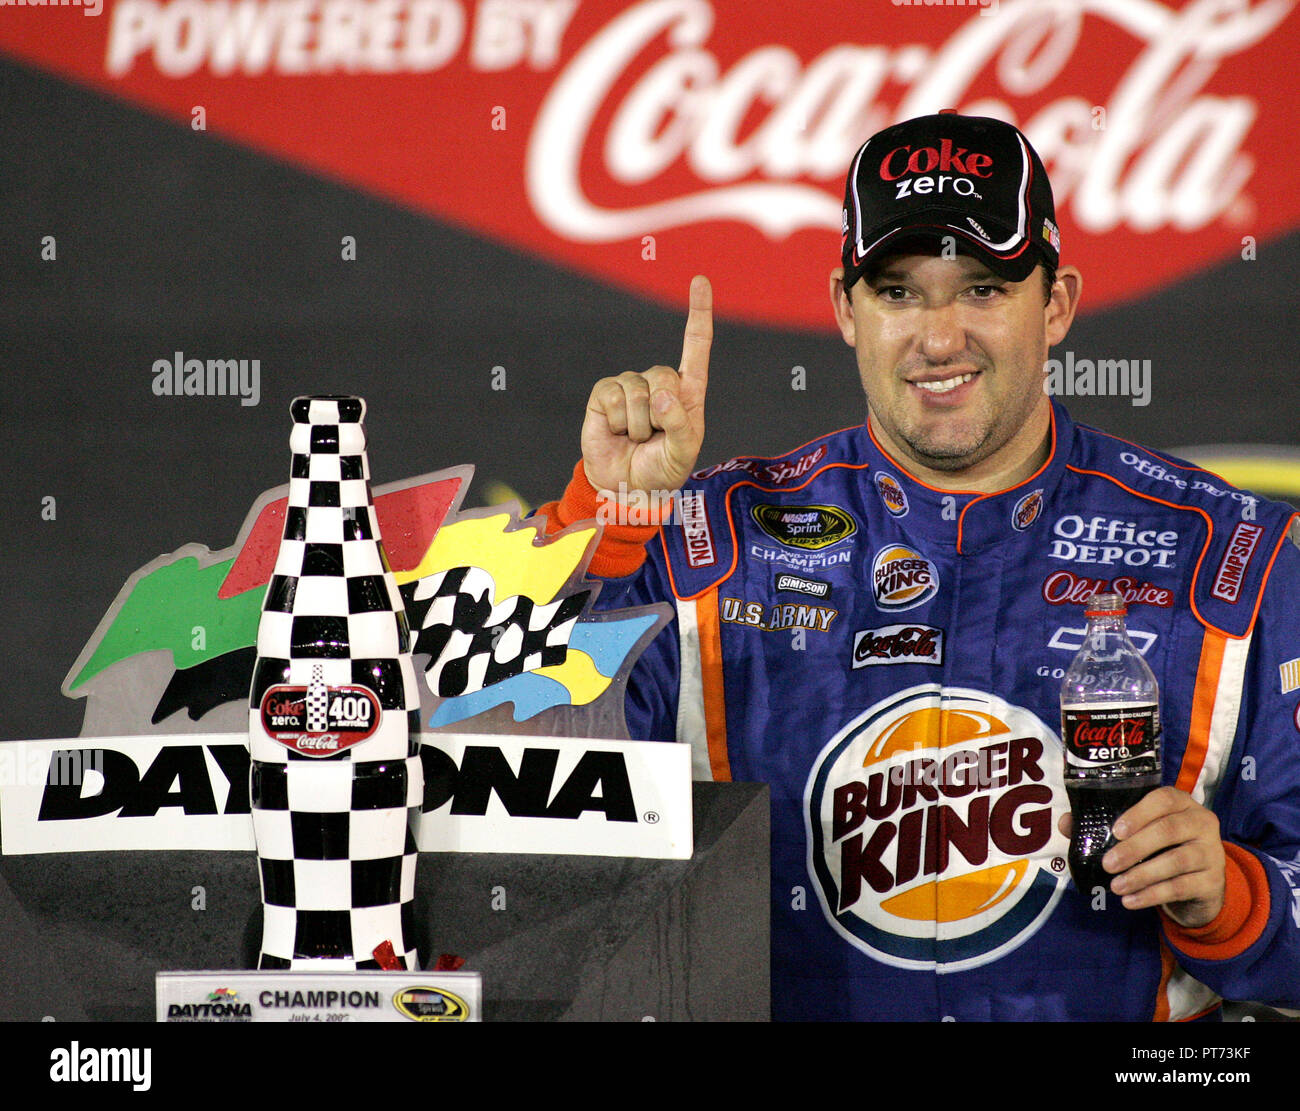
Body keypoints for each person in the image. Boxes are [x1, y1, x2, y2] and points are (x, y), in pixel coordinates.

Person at [537, 111, 1300, 1021]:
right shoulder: (714, 538)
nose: (940, 338)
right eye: (898, 293)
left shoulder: (1234, 551)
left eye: (982, 288)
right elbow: (514, 809)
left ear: (1056, 304)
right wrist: (610, 516)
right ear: (842, 309)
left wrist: (1233, 895)